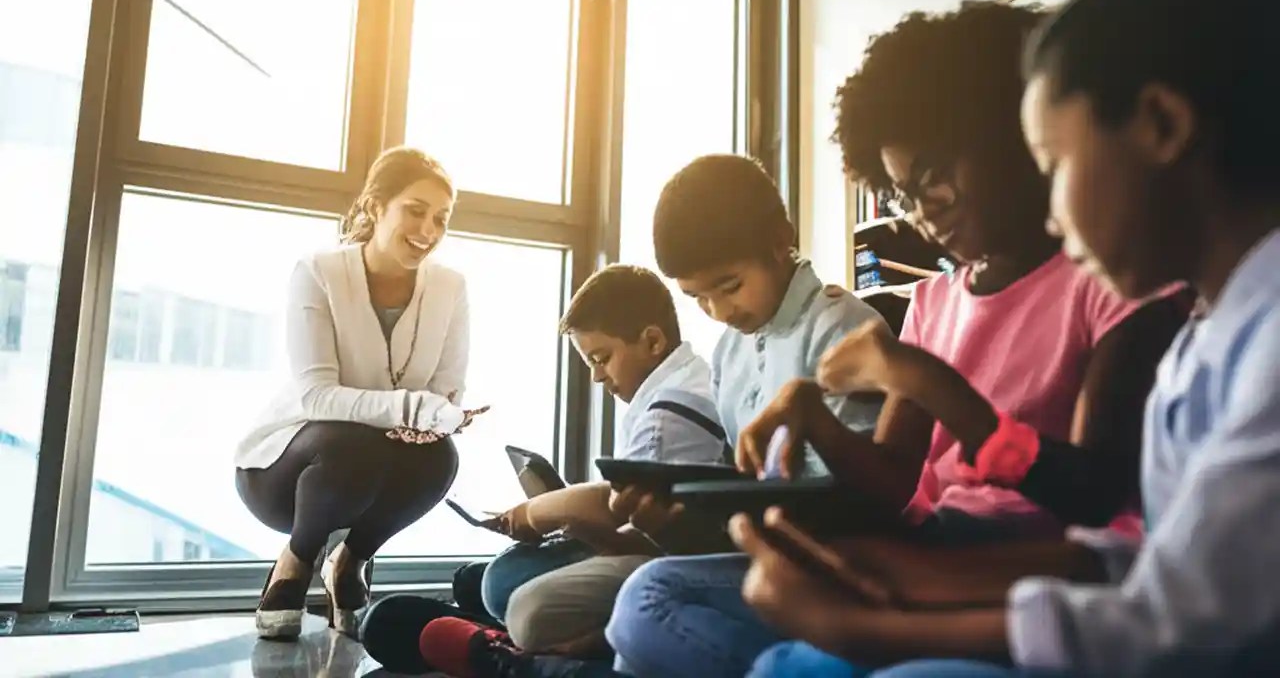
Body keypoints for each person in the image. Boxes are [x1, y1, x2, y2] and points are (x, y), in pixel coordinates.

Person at [604, 1, 1189, 678]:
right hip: (926, 546)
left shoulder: (1110, 279)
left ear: (1015, 136)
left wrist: (920, 378)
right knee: (650, 599)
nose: (923, 211)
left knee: (679, 629)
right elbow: (893, 481)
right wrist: (816, 418)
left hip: (1022, 562)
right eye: (904, 192)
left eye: (935, 176)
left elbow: (1092, 495)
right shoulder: (936, 300)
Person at [742, 0, 1280, 674]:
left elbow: (1172, 605)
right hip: (981, 553)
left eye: (1053, 163)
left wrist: (874, 627)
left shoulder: (1217, 328)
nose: (1057, 213)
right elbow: (1155, 560)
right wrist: (907, 578)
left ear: (1161, 124)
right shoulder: (1206, 342)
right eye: (903, 192)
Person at [409, 154, 886, 677]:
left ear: (781, 239)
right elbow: (738, 495)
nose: (720, 312)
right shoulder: (730, 352)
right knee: (616, 596)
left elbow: (873, 497)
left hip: (824, 563)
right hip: (748, 552)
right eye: (698, 298)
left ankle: (546, 666)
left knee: (639, 602)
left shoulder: (845, 331)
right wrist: (674, 526)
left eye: (728, 287)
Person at [360, 264, 727, 672]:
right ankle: (492, 629)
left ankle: (508, 648)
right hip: (649, 553)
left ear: (653, 341)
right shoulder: (679, 385)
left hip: (660, 562)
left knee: (508, 592)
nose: (596, 376)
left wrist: (550, 512)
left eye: (602, 358)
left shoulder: (668, 414)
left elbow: (644, 541)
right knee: (487, 578)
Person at [234, 147, 485, 640]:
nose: (429, 231)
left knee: (441, 459)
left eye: (441, 218)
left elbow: (445, 390)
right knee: (352, 446)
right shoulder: (319, 272)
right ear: (375, 207)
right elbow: (318, 397)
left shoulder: (450, 287)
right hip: (288, 471)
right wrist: (415, 410)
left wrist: (439, 420)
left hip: (377, 471)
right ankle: (296, 559)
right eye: (415, 211)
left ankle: (350, 560)